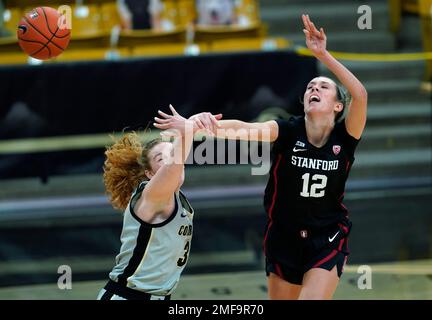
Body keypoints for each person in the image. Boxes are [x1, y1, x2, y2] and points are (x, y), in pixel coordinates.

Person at [185, 15, 368, 299]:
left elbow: (361, 94)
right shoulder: (287, 130)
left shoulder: (345, 137)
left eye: (323, 86)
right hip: (284, 235)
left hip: (327, 236)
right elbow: (245, 129)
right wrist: (203, 125)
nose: (314, 89)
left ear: (337, 105)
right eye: (309, 87)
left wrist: (322, 55)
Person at [97, 105, 196, 300]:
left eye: (171, 154)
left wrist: (190, 126)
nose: (170, 161)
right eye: (161, 159)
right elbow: (174, 167)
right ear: (149, 174)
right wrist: (189, 129)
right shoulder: (151, 195)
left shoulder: (178, 199)